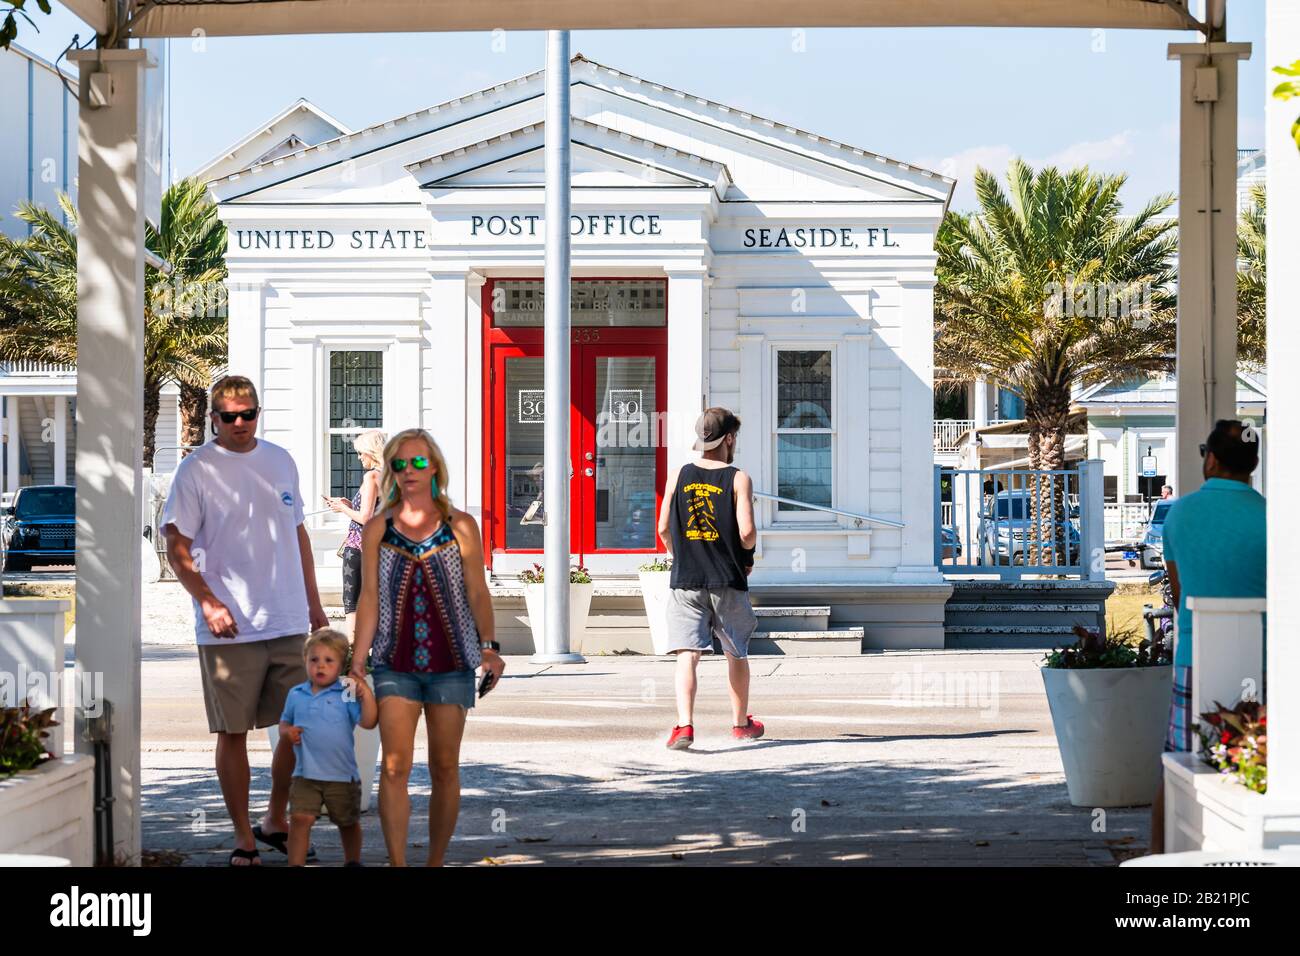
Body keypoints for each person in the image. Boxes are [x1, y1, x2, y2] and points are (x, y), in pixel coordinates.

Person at [162, 375, 330, 866]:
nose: (239, 423)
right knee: (232, 733)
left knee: (298, 728)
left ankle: (275, 819)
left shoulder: (281, 460)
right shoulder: (195, 470)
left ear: (259, 412)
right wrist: (208, 602)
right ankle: (243, 837)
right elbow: (177, 547)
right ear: (213, 418)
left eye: (247, 414)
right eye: (228, 416)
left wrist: (315, 606)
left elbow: (297, 535)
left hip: (288, 620)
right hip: (228, 625)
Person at [349, 428, 506, 866]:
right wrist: (358, 661)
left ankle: (435, 861)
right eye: (400, 463)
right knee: (395, 767)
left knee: (444, 767)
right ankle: (398, 863)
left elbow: (478, 591)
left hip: (452, 661)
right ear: (391, 470)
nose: (409, 471)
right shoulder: (379, 526)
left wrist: (489, 648)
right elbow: (368, 598)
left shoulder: (460, 525)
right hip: (393, 662)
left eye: (418, 462)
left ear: (435, 465)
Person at [1149, 420, 1266, 853]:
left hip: (1196, 659)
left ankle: (1162, 857)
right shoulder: (1274, 517)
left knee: (1178, 768)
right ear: (1253, 465)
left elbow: (1180, 596)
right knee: (1259, 766)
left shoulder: (1179, 515)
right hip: (1267, 661)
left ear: (1211, 459)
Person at [656, 407, 762, 751]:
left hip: (686, 578)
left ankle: (684, 726)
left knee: (688, 654)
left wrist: (679, 554)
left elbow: (662, 528)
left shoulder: (678, 475)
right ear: (729, 438)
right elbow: (746, 533)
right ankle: (740, 723)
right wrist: (747, 553)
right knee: (736, 652)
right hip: (727, 579)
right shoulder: (738, 478)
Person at [280, 628, 378, 866]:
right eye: (314, 660)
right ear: (305, 661)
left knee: (347, 821)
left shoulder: (346, 694)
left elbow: (368, 722)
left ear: (341, 665)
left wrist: (366, 696)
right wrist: (287, 733)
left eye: (328, 661)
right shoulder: (297, 694)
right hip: (305, 774)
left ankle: (352, 861)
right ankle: (296, 863)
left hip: (342, 775)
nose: (320, 666)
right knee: (300, 818)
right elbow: (284, 721)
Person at [324, 429, 387, 634]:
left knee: (351, 601)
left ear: (372, 451)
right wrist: (349, 504)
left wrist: (342, 508)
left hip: (358, 548)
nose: (359, 458)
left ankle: (353, 652)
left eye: (361, 453)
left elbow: (365, 518)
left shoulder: (371, 477)